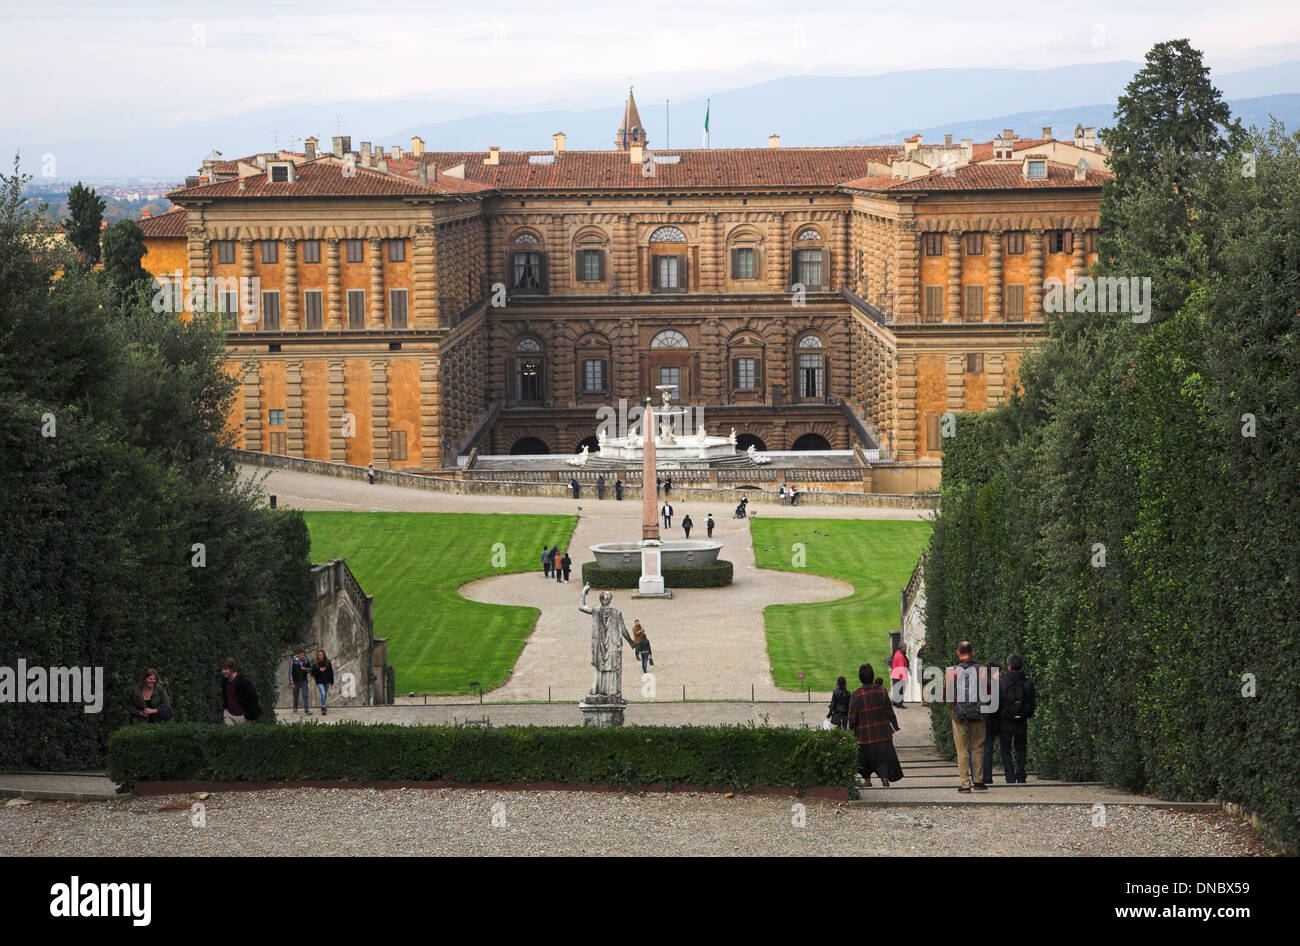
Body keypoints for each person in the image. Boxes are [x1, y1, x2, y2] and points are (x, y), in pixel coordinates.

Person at [848, 664, 902, 787]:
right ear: (872, 676)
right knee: (882, 759)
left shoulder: (857, 694)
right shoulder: (882, 691)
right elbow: (890, 712)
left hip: (864, 735)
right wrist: (894, 727)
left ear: (860, 677)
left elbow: (852, 717)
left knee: (865, 760)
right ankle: (884, 778)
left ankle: (867, 780)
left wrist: (850, 731)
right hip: (882, 734)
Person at [946, 640, 987, 792]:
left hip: (959, 714)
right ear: (973, 652)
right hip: (977, 713)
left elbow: (947, 694)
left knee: (962, 749)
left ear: (958, 652)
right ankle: (979, 781)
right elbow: (988, 689)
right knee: (978, 747)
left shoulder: (952, 671)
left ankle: (965, 783)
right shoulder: (981, 670)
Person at [998, 653, 1036, 784]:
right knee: (1021, 748)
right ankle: (1020, 774)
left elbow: (997, 703)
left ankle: (1009, 776)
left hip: (1005, 720)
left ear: (1008, 666)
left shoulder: (1001, 682)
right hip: (1021, 720)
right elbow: (1032, 703)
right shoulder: (1028, 682)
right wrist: (1026, 714)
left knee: (1005, 748)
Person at [220, 658, 261, 725]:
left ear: (232, 669)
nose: (223, 671)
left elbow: (254, 698)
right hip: (229, 715)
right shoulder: (224, 682)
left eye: (225, 669)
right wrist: (225, 709)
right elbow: (225, 696)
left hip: (243, 717)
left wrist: (248, 716)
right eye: (222, 669)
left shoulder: (243, 682)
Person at [982, 662, 1002, 786]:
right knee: (989, 749)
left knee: (985, 749)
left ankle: (985, 776)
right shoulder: (997, 684)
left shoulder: (983, 684)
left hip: (985, 719)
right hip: (994, 719)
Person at [290, 649, 313, 714]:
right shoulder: (294, 661)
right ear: (299, 655)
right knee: (296, 695)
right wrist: (291, 682)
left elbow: (310, 669)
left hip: (304, 681)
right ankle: (295, 707)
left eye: (304, 655)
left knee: (305, 695)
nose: (303, 656)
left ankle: (307, 709)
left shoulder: (307, 660)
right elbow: (290, 672)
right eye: (302, 655)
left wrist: (305, 669)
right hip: (295, 682)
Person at [312, 650, 335, 715]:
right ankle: (323, 707)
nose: (320, 656)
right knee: (323, 693)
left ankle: (323, 706)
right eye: (319, 655)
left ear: (324, 655)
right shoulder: (315, 664)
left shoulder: (328, 662)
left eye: (321, 654)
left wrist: (332, 681)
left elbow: (331, 672)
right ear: (317, 655)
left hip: (327, 681)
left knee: (324, 694)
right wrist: (320, 670)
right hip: (319, 681)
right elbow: (312, 673)